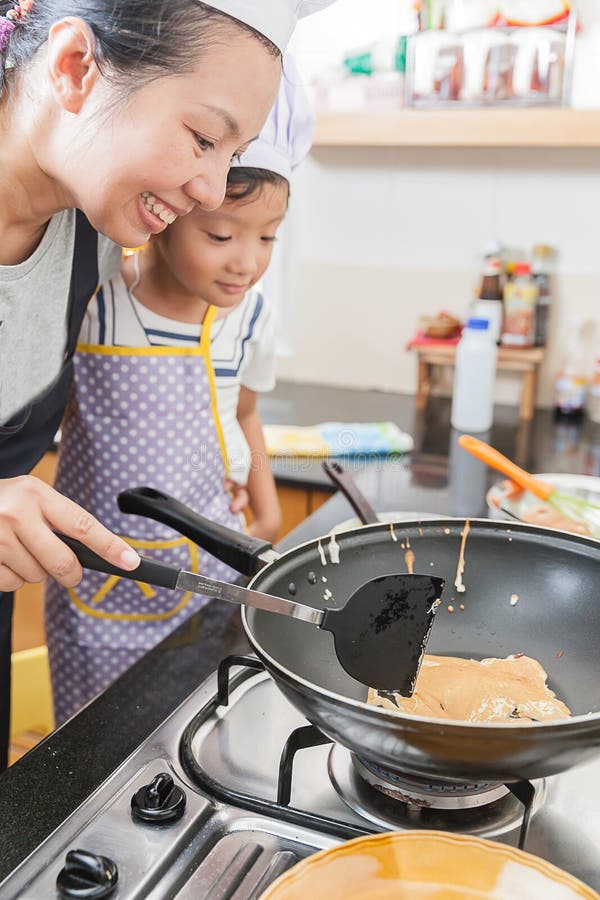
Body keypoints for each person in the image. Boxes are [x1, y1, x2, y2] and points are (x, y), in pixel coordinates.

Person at [0, 0, 335, 767]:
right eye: (204, 137)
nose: (215, 190)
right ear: (76, 66)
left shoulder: (87, 224)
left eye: (238, 150)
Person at [45, 58, 314, 724]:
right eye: (221, 235)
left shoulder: (251, 318)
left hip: (216, 566)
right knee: (94, 741)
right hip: (102, 574)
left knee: (193, 725)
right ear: (163, 219)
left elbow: (246, 413)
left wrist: (267, 508)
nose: (246, 261)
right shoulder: (102, 304)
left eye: (268, 238)